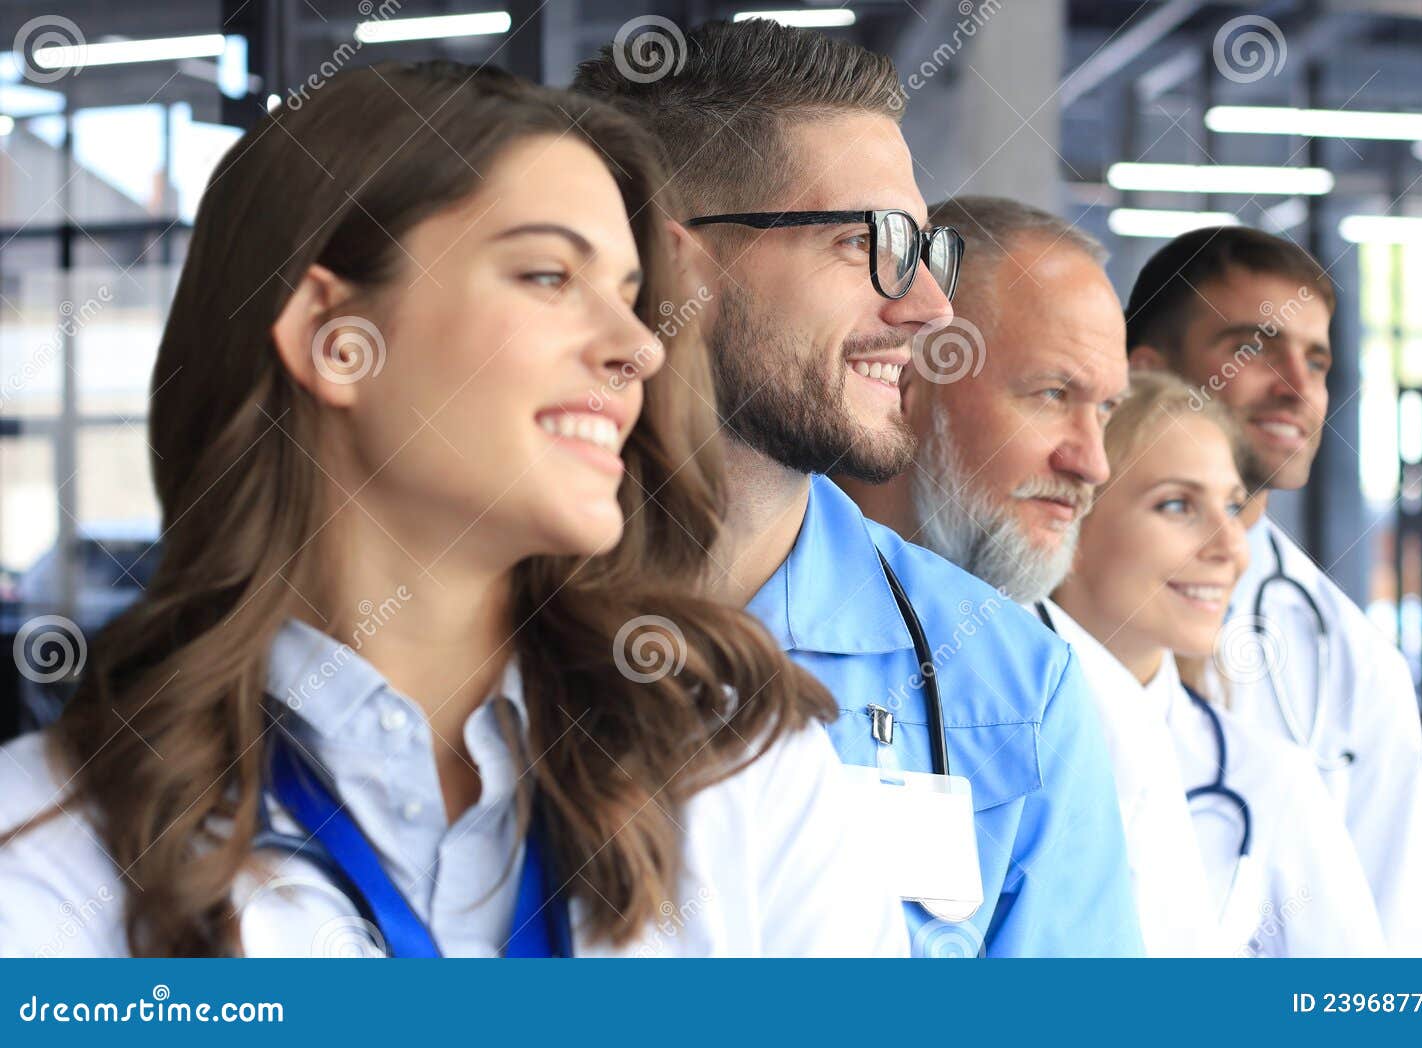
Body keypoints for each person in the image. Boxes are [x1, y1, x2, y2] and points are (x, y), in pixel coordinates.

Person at [0, 62, 908, 959]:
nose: (638, 346)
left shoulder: (741, 778)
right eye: (550, 276)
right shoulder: (46, 850)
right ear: (335, 338)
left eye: (632, 298)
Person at [574, 21, 1142, 957]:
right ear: (678, 267)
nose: (929, 307)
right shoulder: (472, 621)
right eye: (869, 242)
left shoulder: (1005, 687)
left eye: (928, 250)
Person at [839, 195, 1216, 955]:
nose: (1092, 462)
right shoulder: (731, 611)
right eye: (1052, 396)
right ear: (908, 377)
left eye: (1105, 409)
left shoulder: (1079, 707)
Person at [1125, 227, 1422, 956]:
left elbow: (1394, 953)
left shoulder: (1355, 663)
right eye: (1253, 346)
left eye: (1317, 360)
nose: (1297, 387)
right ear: (1148, 372)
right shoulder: (1021, 605)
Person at [1054, 372, 1386, 957]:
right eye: (1178, 505)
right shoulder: (972, 737)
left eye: (1232, 506)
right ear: (1070, 519)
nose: (1231, 547)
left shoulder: (1268, 780)